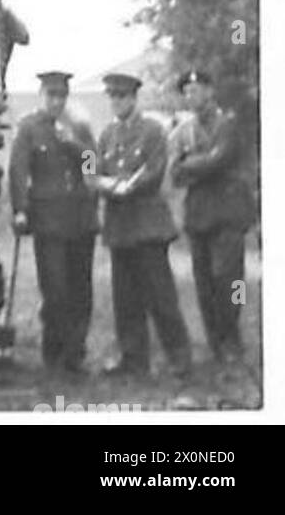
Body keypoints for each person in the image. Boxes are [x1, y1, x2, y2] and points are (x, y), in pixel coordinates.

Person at [93, 72, 192, 378]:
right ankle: (133, 358)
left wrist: (127, 186)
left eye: (122, 97)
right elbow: (94, 171)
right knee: (126, 299)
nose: (117, 102)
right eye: (112, 97)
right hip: (120, 226)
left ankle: (179, 356)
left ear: (134, 98)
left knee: (161, 296)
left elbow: (154, 169)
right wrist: (105, 185)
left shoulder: (152, 130)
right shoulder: (106, 135)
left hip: (148, 225)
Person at [8, 71, 97, 373]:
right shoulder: (29, 128)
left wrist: (75, 144)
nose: (56, 102)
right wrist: (20, 209)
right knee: (55, 289)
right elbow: (18, 170)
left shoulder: (80, 126)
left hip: (81, 219)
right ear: (41, 95)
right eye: (51, 95)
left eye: (61, 96)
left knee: (80, 289)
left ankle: (75, 354)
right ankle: (54, 352)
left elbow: (93, 164)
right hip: (48, 221)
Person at [170, 68, 254, 365]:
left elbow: (220, 159)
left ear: (209, 91)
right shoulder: (185, 130)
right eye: (187, 92)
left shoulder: (226, 124)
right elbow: (175, 174)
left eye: (196, 90)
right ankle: (215, 341)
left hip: (228, 213)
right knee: (204, 283)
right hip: (199, 216)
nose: (191, 96)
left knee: (231, 281)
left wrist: (190, 163)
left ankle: (233, 338)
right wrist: (194, 165)